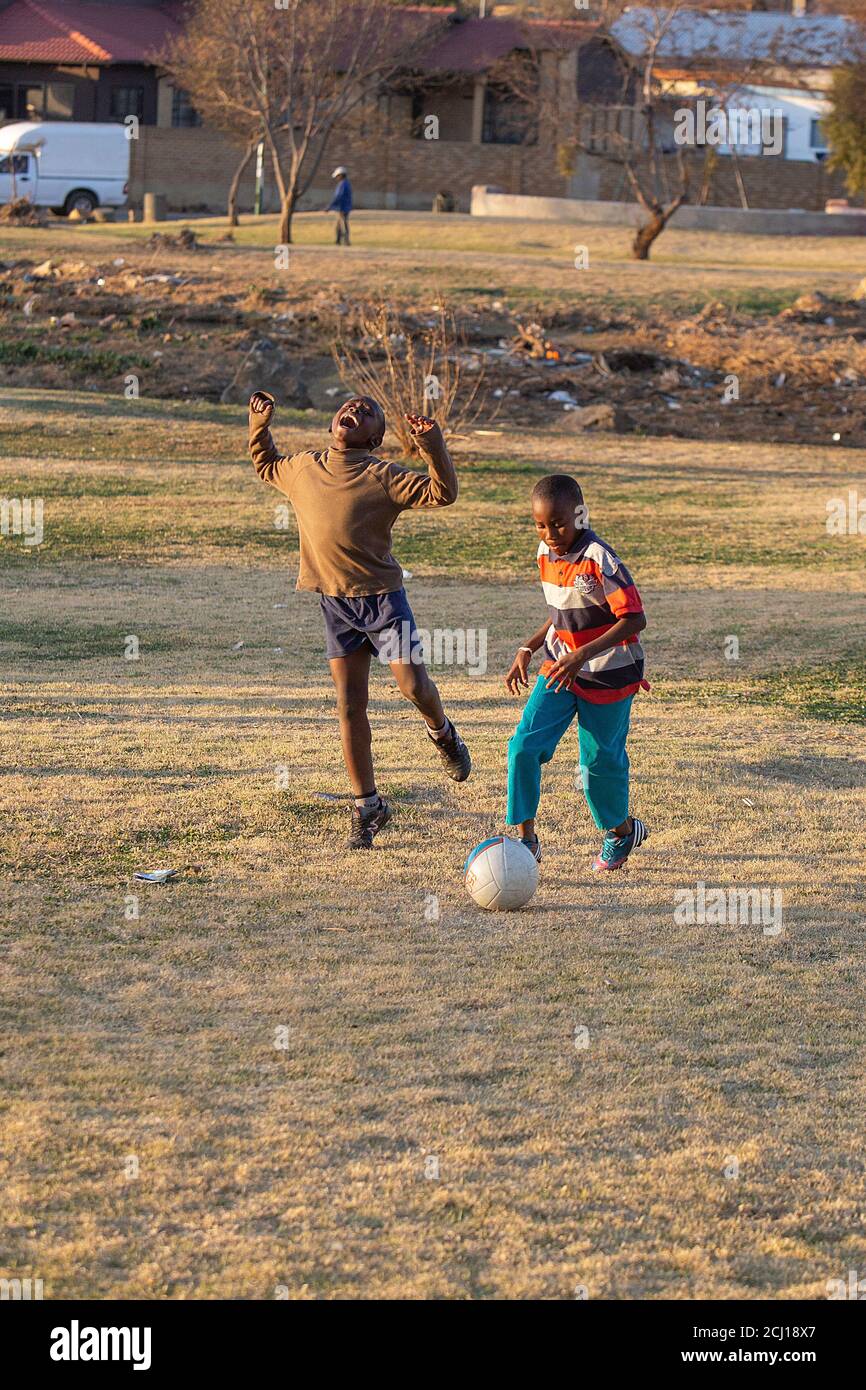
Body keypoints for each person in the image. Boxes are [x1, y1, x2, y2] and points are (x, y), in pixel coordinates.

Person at [248, 389, 471, 849]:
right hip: (336, 603)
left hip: (384, 602)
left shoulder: (382, 475)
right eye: (349, 406)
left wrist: (434, 447)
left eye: (368, 412)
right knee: (350, 706)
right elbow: (266, 464)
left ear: (375, 438)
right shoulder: (304, 467)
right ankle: (368, 806)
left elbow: (443, 493)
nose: (355, 410)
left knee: (413, 687)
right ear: (334, 422)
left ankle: (442, 732)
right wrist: (258, 426)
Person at [504, 474, 649, 872]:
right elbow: (561, 613)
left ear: (580, 516)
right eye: (540, 524)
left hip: (609, 674)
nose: (550, 533)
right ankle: (526, 842)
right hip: (560, 665)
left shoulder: (601, 559)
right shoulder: (544, 554)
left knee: (598, 763)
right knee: (523, 747)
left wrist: (582, 655)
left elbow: (634, 619)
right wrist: (528, 647)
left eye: (559, 524)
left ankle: (620, 831)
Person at [326, 166, 352, 245]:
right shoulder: (346, 184)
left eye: (337, 176)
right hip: (343, 207)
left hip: (342, 208)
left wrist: (329, 207)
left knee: (343, 225)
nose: (337, 178)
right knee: (339, 226)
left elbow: (338, 197)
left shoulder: (343, 185)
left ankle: (346, 241)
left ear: (341, 175)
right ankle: (338, 241)